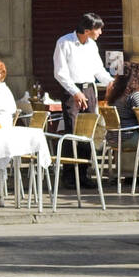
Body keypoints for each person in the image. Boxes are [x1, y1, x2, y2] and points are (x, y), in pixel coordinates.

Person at [53, 12, 113, 187]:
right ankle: (69, 176)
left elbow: (99, 71)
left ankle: (84, 174)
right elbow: (60, 73)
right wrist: (75, 92)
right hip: (72, 92)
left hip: (89, 90)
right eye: (98, 29)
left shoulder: (92, 46)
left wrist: (111, 82)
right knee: (72, 132)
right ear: (87, 30)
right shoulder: (64, 43)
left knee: (88, 133)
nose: (100, 32)